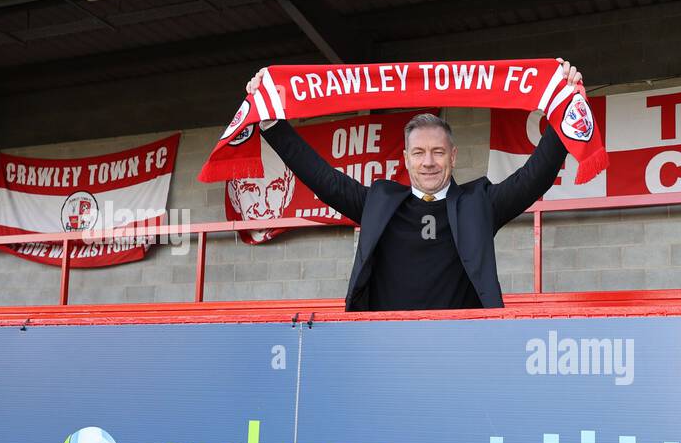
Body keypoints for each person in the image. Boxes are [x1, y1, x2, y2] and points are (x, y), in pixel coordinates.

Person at [245, 60, 584, 312]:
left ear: (452, 155)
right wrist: (272, 123)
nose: (429, 162)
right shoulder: (378, 202)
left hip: (461, 350)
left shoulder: (479, 203)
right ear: (406, 158)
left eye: (437, 152)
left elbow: (533, 177)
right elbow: (322, 177)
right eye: (419, 153)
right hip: (387, 348)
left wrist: (565, 109)